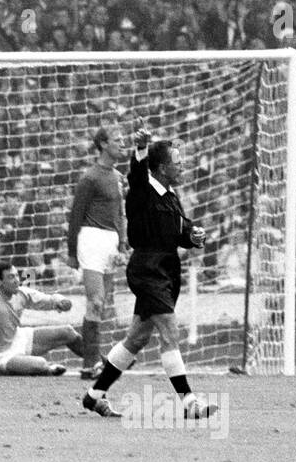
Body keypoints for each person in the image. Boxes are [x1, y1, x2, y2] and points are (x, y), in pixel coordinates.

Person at [80, 127, 218, 420]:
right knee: (170, 330)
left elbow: (180, 231)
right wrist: (141, 149)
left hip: (166, 270)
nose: (182, 166)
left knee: (136, 339)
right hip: (147, 268)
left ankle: (94, 395)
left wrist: (192, 235)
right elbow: (136, 173)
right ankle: (189, 403)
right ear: (160, 167)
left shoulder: (170, 195)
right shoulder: (143, 190)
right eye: (177, 161)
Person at [66, 126, 128, 379]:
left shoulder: (118, 176)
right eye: (118, 140)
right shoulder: (90, 178)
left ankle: (94, 362)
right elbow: (75, 216)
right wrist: (72, 251)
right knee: (95, 301)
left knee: (103, 307)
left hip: (110, 242)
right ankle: (89, 365)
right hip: (91, 238)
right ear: (103, 144)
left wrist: (123, 244)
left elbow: (120, 214)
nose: (123, 144)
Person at [0, 262, 82, 376]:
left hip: (18, 337)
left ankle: (94, 363)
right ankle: (46, 369)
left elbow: (48, 299)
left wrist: (61, 301)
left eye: (17, 275)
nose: (17, 280)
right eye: (11, 277)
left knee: (68, 332)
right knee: (40, 363)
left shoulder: (21, 293)